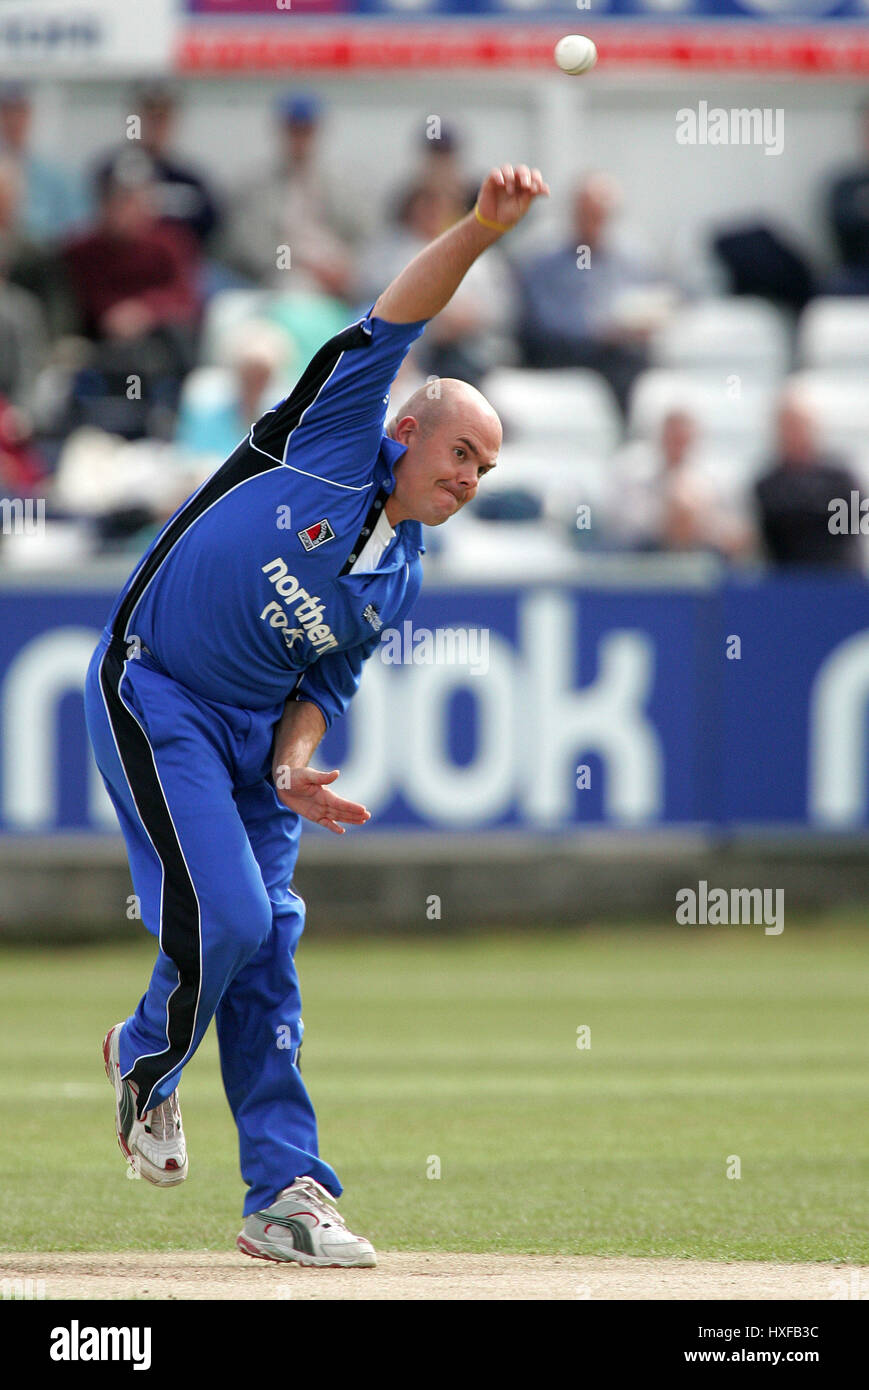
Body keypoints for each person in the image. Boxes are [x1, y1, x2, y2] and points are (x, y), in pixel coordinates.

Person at [84, 161, 549, 1267]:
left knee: (270, 948)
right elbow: (402, 308)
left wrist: (296, 764)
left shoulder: (401, 575)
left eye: (486, 468)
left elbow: (320, 690)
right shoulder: (329, 428)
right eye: (460, 454)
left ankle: (285, 1193)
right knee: (233, 921)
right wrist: (479, 230)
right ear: (404, 432)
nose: (471, 478)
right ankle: (144, 1056)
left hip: (254, 745)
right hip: (159, 691)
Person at [515, 172, 669, 414]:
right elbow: (538, 323)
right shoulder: (543, 261)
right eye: (587, 215)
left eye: (601, 216)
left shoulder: (634, 259)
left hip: (620, 357)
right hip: (562, 356)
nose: (594, 224)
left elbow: (658, 300)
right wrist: (597, 331)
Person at [755, 387, 863, 572]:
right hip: (787, 587)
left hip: (841, 582)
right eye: (788, 426)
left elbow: (852, 524)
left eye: (799, 425)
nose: (794, 433)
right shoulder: (766, 484)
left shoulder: (841, 479)